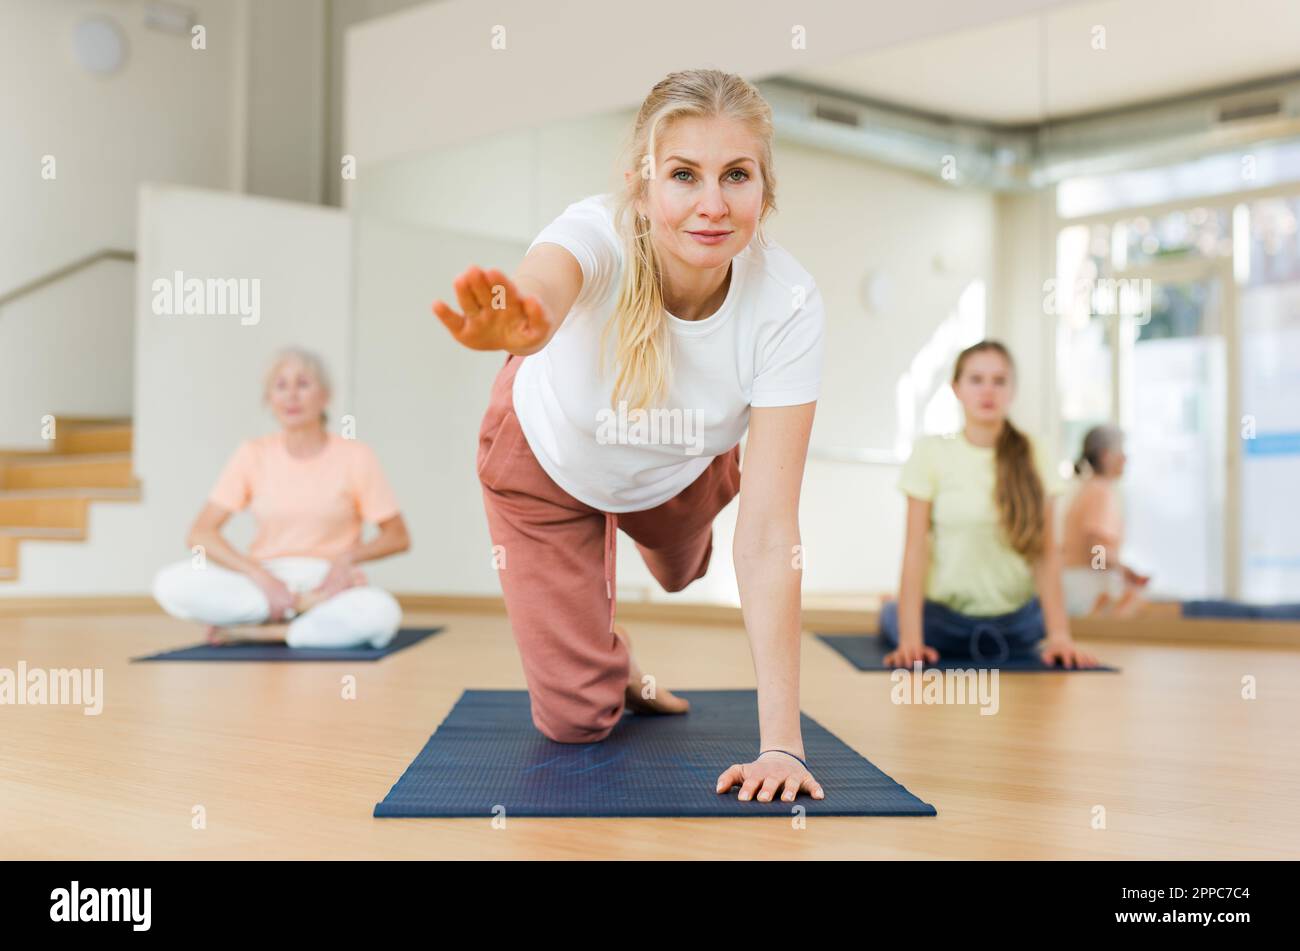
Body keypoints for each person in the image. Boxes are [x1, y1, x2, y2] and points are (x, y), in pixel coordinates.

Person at [434, 69, 826, 804]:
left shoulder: (789, 304)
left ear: (764, 192)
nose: (712, 204)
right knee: (579, 720)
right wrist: (522, 320)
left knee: (684, 573)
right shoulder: (596, 233)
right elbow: (544, 285)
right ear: (642, 185)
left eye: (736, 175)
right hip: (546, 466)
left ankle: (651, 542)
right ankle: (615, 655)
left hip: (676, 468)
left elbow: (771, 530)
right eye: (683, 175)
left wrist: (780, 743)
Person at [152, 347, 410, 648]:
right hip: (267, 579)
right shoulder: (252, 454)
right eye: (281, 386)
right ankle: (302, 607)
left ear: (325, 396)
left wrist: (347, 559)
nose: (291, 396)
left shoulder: (356, 456)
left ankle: (264, 631)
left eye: (303, 384)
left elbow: (398, 537)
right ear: (270, 399)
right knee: (170, 584)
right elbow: (200, 533)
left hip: (329, 583)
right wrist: (259, 576)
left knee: (381, 613)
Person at [882, 341, 1098, 669]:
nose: (988, 391)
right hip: (942, 623)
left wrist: (1059, 636)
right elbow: (915, 550)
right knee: (889, 617)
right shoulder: (930, 453)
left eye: (999, 381)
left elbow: (1045, 551)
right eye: (976, 379)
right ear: (956, 388)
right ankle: (890, 607)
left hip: (1017, 626)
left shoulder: (1036, 451)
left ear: (1012, 390)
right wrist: (911, 640)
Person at [1060, 424, 1150, 616]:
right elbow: (1096, 547)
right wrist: (1106, 576)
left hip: (1073, 582)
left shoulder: (1087, 487)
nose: (1125, 459)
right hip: (1086, 585)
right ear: (1105, 455)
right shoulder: (1101, 492)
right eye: (1121, 452)